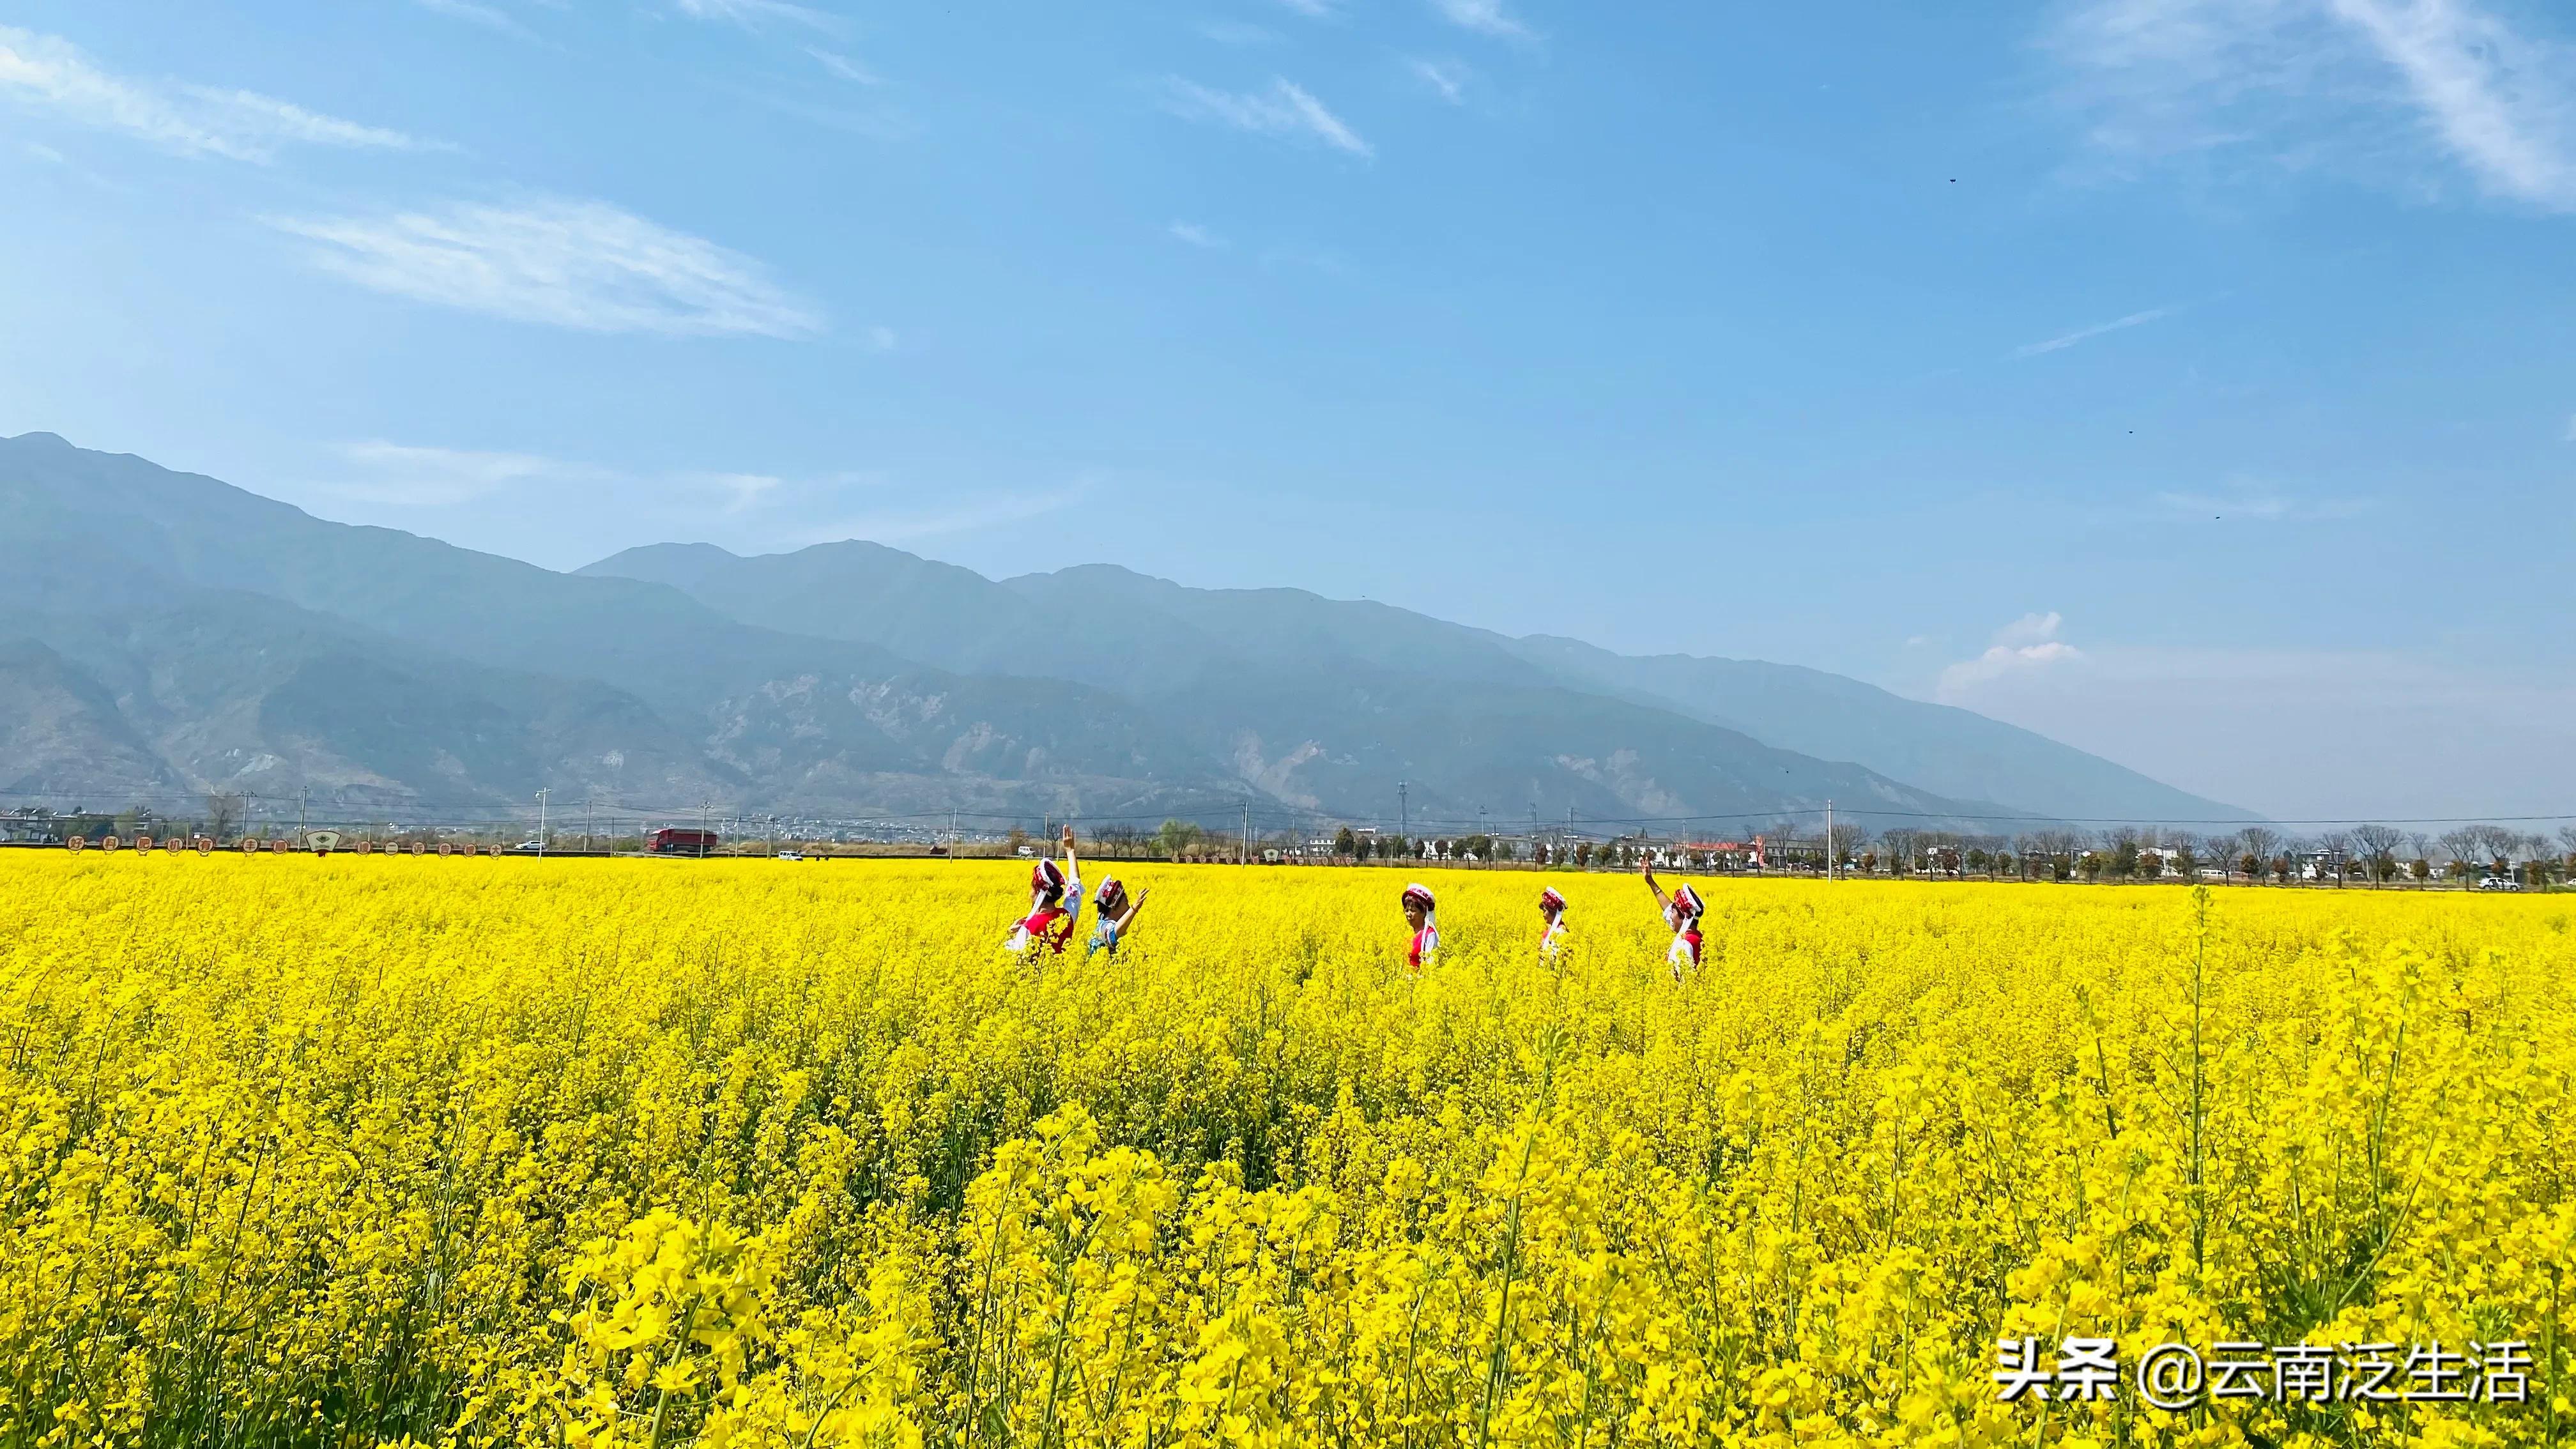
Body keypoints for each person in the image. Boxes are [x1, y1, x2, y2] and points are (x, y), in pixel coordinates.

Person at [1005, 825, 1082, 957]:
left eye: (1032, 888)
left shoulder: (1028, 928)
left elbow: (1014, 959)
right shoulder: (1067, 917)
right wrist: (1070, 851)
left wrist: (1010, 932)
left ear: (1038, 892)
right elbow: (1075, 885)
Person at [1641, 857, 1703, 981]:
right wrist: (1650, 881)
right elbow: (1668, 909)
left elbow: (1686, 984)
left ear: (1685, 917)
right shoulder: (1694, 937)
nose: (1670, 916)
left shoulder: (1686, 944)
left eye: (1673, 912)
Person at [1086, 875, 1150, 957]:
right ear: (1114, 907)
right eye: (1126, 903)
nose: (1128, 907)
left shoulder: (1104, 919)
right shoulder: (1103, 927)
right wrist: (1134, 909)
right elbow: (1113, 933)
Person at [1401, 882, 1438, 974]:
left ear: (1423, 913)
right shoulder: (1408, 933)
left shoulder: (1429, 935)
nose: (1408, 914)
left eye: (1413, 911)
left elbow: (1431, 966)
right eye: (1406, 910)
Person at [1538, 886, 1568, 961]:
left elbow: (1556, 958)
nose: (1543, 915)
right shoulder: (1552, 929)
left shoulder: (1560, 932)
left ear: (1553, 912)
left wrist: (1540, 954)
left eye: (1545, 911)